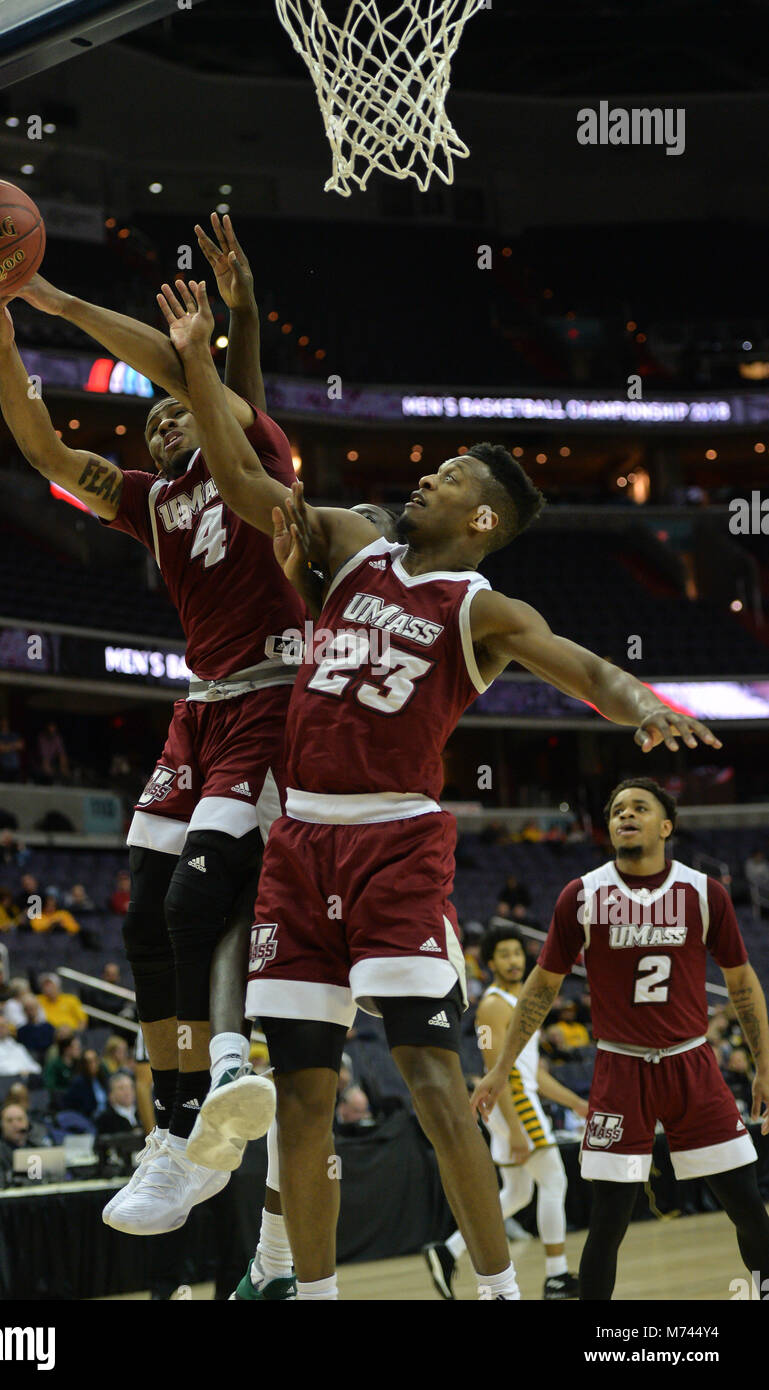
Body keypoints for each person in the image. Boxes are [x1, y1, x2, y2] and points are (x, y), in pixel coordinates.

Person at [159, 273, 724, 1300]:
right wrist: (200, 357)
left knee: (430, 1083)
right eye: (434, 465)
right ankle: (315, 1294)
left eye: (452, 474)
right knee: (301, 1096)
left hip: (393, 844)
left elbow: (581, 666)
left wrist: (637, 702)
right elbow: (243, 482)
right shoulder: (346, 547)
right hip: (299, 846)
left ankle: (501, 1292)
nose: (427, 477)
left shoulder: (481, 607)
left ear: (482, 518)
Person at [0, 214, 303, 1238]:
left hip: (270, 696)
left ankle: (226, 1069)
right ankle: (173, 1139)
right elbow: (40, 445)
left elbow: (193, 372)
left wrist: (57, 300)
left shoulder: (250, 455)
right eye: (154, 417)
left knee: (198, 899)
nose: (168, 418)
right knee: (141, 919)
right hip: (197, 714)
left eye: (182, 406)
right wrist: (1, 335)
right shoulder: (151, 502)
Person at [475, 778, 769, 1302]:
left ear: (665, 826)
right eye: (616, 810)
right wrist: (500, 1069)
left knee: (746, 1203)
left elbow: (742, 982)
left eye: (639, 808)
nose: (625, 816)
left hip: (691, 1065)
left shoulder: (704, 892)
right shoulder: (581, 895)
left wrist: (764, 1066)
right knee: (609, 1221)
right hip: (619, 1070)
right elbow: (542, 988)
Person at [423, 925, 586, 1301]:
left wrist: (574, 1103)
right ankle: (557, 1276)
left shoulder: (516, 1001)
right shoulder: (494, 1006)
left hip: (516, 1100)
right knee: (555, 1182)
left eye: (517, 953)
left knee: (517, 1193)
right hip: (514, 1104)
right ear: (490, 962)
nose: (513, 960)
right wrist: (513, 1128)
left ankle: (447, 1250)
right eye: (504, 954)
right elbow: (499, 1072)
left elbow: (535, 1072)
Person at [0, 1102, 53, 1188]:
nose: (15, 1125)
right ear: (1, 1125)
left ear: (27, 1123)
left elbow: (53, 1178)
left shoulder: (38, 1147)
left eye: (20, 1119)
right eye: (9, 1121)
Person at [62, 1049, 110, 1119]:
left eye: (95, 1061)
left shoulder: (103, 1078)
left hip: (106, 1116)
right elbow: (73, 1106)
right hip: (88, 1118)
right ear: (83, 1064)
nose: (93, 1065)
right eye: (89, 1062)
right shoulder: (78, 1083)